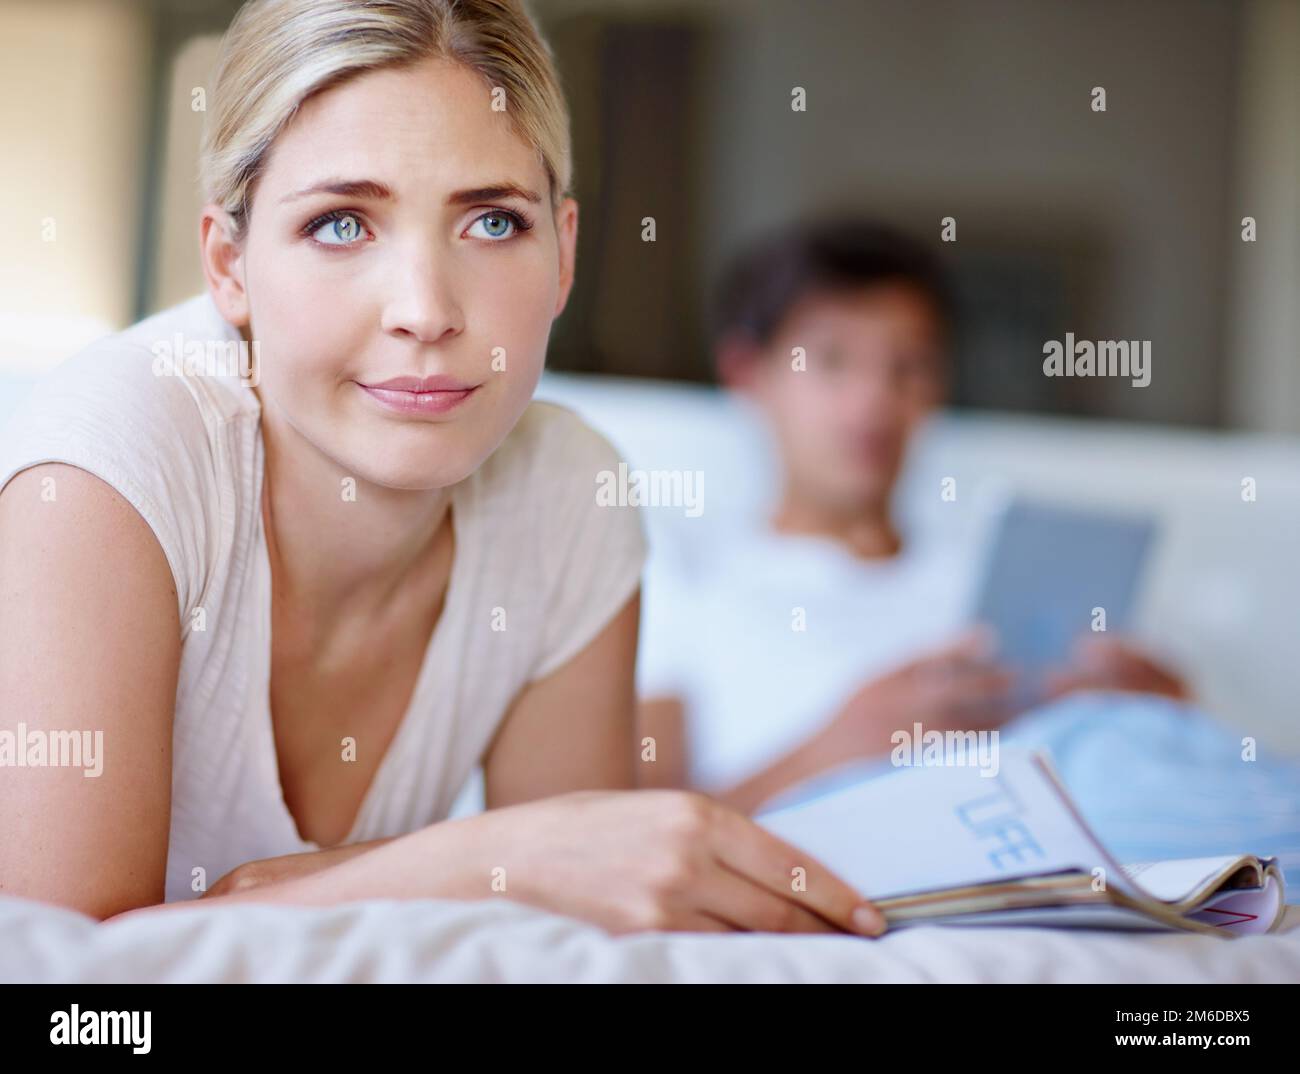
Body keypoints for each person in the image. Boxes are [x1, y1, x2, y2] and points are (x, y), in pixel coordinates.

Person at [0, 0, 886, 940]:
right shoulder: (105, 469)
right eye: (342, 224)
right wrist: (484, 863)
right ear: (228, 264)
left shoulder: (569, 496)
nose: (425, 312)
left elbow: (576, 940)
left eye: (494, 223)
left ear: (563, 254)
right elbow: (68, 995)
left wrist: (309, 892)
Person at [636, 219, 1188, 814]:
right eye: (832, 360)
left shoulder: (992, 581)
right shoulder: (682, 579)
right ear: (747, 372)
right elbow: (642, 838)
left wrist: (1165, 714)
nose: (874, 400)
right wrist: (835, 753)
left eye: (908, 366)